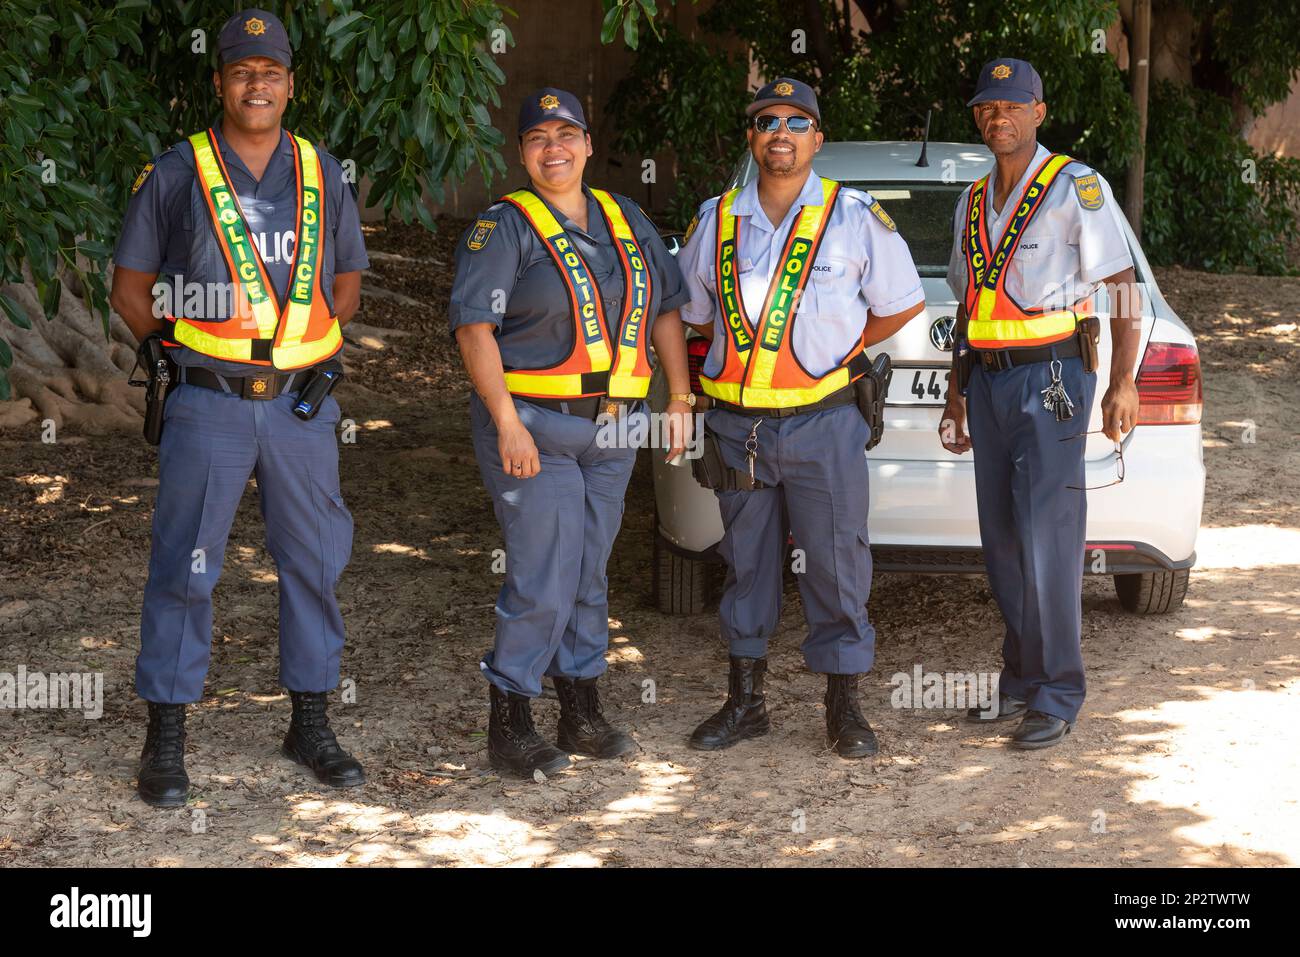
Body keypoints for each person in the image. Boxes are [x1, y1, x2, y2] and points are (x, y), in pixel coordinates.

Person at [110, 9, 369, 805]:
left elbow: (348, 282)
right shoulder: (178, 170)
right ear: (219, 81)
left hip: (300, 408)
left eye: (272, 72)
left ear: (290, 84)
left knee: (315, 563)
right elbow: (129, 288)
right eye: (241, 72)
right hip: (209, 404)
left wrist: (301, 339)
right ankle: (167, 736)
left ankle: (311, 722)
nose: (257, 85)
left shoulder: (322, 168)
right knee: (186, 566)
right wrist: (180, 347)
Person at [676, 78, 926, 758]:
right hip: (740, 427)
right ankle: (744, 702)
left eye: (795, 121)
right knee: (746, 563)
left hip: (825, 423)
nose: (779, 132)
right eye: (766, 121)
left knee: (837, 562)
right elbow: (691, 313)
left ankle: (843, 707)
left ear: (817, 138)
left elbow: (900, 304)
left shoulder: (855, 217)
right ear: (752, 138)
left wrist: (835, 350)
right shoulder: (717, 218)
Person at [449, 88, 695, 777]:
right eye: (537, 138)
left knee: (589, 570)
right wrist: (505, 423)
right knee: (542, 572)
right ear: (522, 152)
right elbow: (475, 331)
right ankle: (511, 719)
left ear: (588, 144)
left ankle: (581, 710)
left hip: (616, 428)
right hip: (536, 425)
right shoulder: (506, 227)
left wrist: (679, 395)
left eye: (566, 135)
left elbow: (669, 310)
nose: (553, 149)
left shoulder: (626, 217)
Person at [939, 58, 1141, 749]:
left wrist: (1123, 380)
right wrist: (955, 392)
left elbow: (1120, 283)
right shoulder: (970, 202)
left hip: (1054, 379)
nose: (1000, 117)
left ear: (1038, 112)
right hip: (989, 381)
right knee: (1001, 538)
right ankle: (1020, 679)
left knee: (1050, 538)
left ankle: (1058, 690)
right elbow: (971, 305)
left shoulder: (1074, 187)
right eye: (988, 108)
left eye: (1012, 106)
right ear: (978, 119)